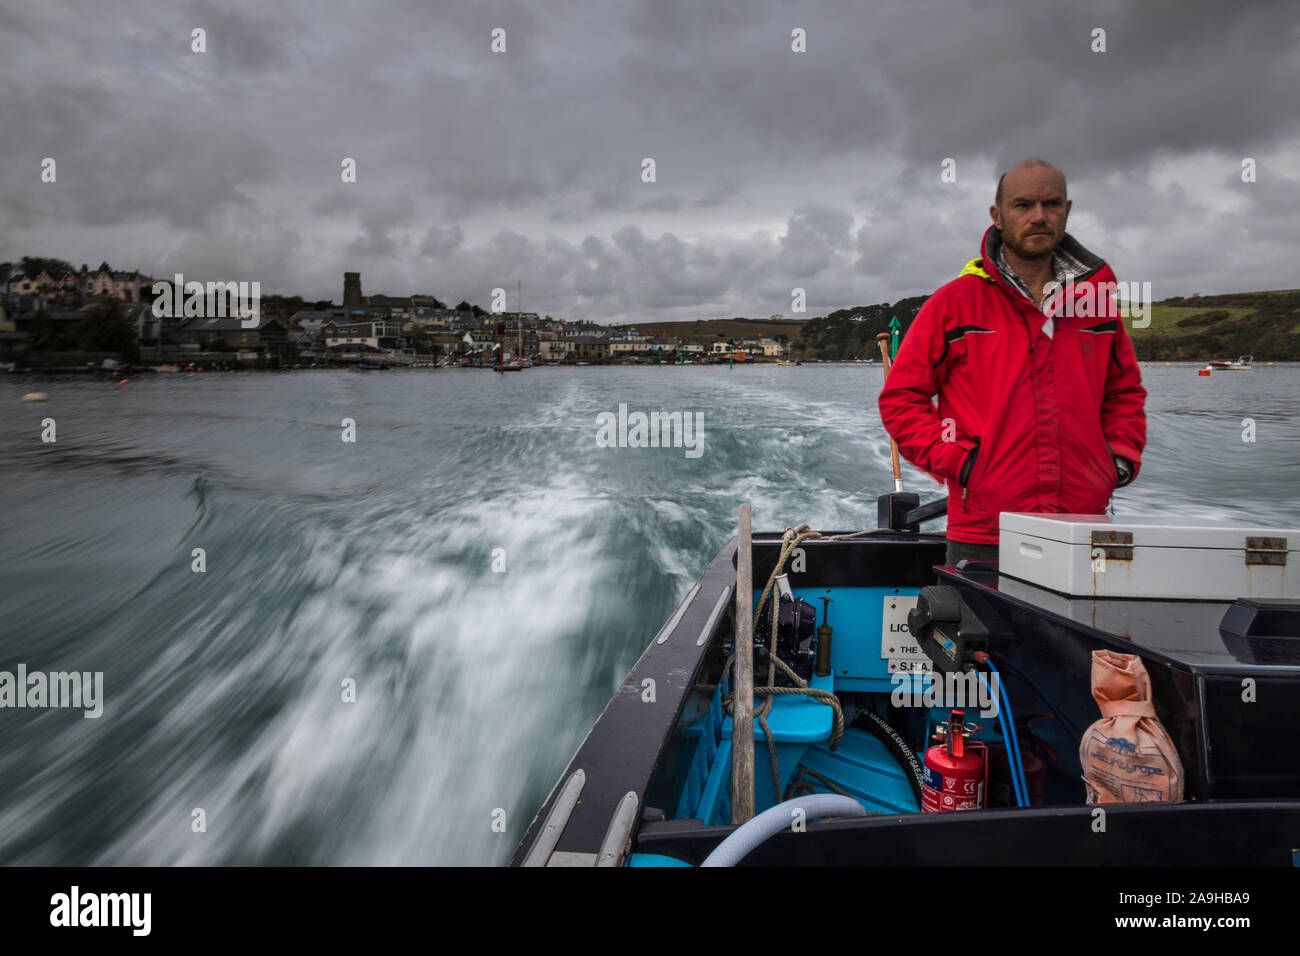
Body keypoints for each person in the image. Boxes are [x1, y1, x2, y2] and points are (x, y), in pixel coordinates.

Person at [878, 159, 1147, 566]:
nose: (1038, 216)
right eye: (1023, 205)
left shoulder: (1098, 309)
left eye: (1051, 204)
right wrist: (962, 462)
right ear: (997, 215)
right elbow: (901, 398)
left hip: (1083, 529)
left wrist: (1118, 461)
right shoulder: (953, 304)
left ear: (1067, 211)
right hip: (985, 532)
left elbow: (1124, 393)